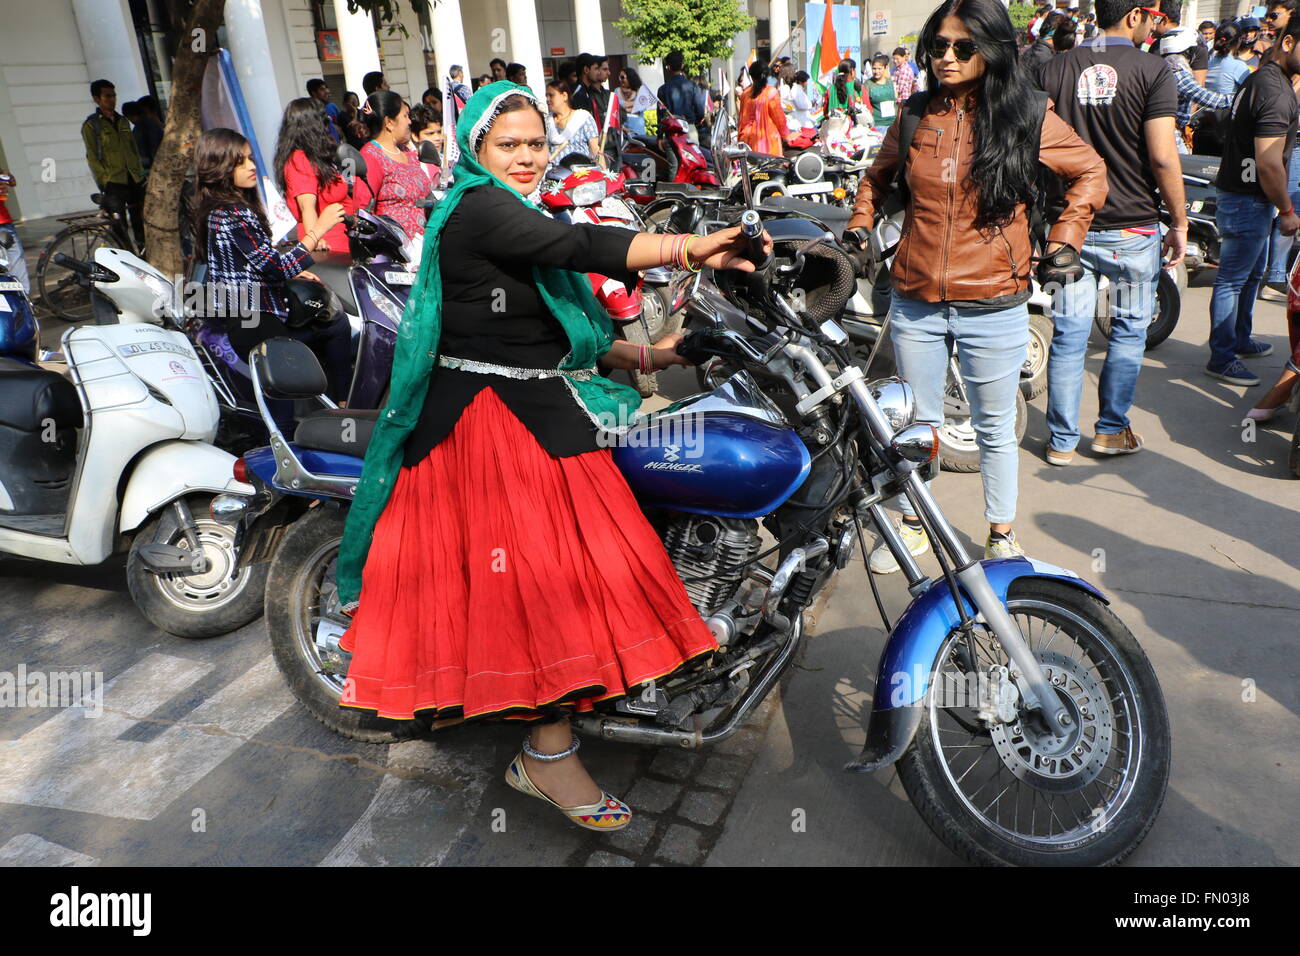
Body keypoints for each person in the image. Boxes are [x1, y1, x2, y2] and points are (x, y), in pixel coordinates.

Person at [331, 80, 768, 830]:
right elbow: (576, 246)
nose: (528, 156)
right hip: (489, 429)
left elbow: (554, 331)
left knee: (588, 577)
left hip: (542, 409)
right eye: (511, 145)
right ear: (475, 149)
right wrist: (689, 246)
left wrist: (647, 355)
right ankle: (546, 754)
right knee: (547, 591)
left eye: (537, 142)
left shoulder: (520, 207)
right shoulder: (475, 208)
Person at [842, 0, 1106, 570]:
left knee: (993, 426)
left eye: (963, 47)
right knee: (917, 425)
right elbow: (876, 179)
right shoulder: (915, 114)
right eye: (938, 46)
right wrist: (861, 224)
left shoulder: (1027, 114)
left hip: (994, 298)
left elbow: (1090, 171)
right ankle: (916, 525)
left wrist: (1065, 241)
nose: (947, 58)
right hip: (915, 298)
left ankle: (1001, 535)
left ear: (991, 51)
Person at [1038, 0, 1185, 465]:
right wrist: (1179, 221)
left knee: (1069, 334)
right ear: (1136, 14)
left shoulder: (1056, 68)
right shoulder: (1152, 70)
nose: (1153, 27)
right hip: (1133, 228)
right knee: (1126, 332)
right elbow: (1163, 156)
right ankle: (1109, 431)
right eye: (1153, 17)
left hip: (1070, 229)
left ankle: (1061, 441)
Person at [192, 128, 352, 403]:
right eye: (240, 161)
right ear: (219, 166)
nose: (252, 166)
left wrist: (293, 269)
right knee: (335, 326)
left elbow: (251, 259)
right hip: (257, 320)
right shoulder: (235, 213)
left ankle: (336, 405)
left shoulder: (216, 208)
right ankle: (342, 405)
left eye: (250, 158)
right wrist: (319, 230)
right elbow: (275, 267)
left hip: (242, 315)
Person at [1206, 14, 1300, 387]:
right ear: (1289, 43)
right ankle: (1222, 356)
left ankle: (1239, 338)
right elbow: (1269, 163)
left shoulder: (1260, 78)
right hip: (1247, 198)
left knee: (1250, 276)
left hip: (1245, 195)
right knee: (1232, 279)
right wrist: (1287, 211)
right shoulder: (1273, 90)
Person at [360, 91, 430, 259]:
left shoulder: (407, 152)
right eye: (405, 116)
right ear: (389, 123)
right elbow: (362, 212)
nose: (410, 121)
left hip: (425, 248)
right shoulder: (370, 156)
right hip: (396, 255)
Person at [1261, 0, 1300, 300]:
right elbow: (1267, 162)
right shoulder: (1277, 76)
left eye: (1275, 15)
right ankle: (1275, 274)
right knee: (1287, 211)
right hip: (1291, 146)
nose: (1270, 20)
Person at [81, 79, 145, 248]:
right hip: (113, 182)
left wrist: (139, 172)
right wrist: (105, 180)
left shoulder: (123, 121)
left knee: (141, 223)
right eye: (107, 96)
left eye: (114, 95)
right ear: (97, 98)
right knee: (119, 228)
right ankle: (128, 259)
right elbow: (92, 157)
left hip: (133, 179)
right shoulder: (91, 125)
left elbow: (133, 149)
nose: (112, 99)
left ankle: (144, 255)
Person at [545, 80, 601, 168]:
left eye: (551, 95)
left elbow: (595, 150)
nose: (547, 99)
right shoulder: (546, 122)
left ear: (564, 96)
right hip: (556, 175)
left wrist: (604, 174)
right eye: (546, 96)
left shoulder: (583, 117)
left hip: (581, 173)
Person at [737, 59, 787, 155]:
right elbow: (779, 118)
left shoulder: (745, 94)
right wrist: (785, 135)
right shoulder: (771, 92)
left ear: (751, 76)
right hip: (768, 140)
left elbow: (742, 120)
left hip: (748, 140)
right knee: (770, 168)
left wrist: (740, 140)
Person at [1154, 0, 1210, 84]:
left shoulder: (1194, 42)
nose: (1152, 25)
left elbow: (1198, 84)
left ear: (1165, 20)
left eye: (1155, 19)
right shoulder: (1155, 44)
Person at [657, 50, 704, 129]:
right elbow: (700, 111)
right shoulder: (693, 86)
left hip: (671, 131)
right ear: (682, 66)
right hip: (690, 129)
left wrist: (660, 136)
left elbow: (660, 115)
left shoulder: (662, 89)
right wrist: (696, 123)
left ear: (668, 67)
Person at [0, 170, 30, 294]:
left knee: (16, 265)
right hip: (4, 225)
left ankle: (23, 302)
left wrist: (7, 177)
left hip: (4, 223)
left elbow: (11, 181)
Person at [570, 53, 615, 131]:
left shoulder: (589, 91)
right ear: (586, 70)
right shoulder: (578, 93)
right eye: (596, 69)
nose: (598, 73)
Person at [1208, 23, 1252, 94]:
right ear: (1239, 41)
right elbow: (1251, 90)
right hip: (1228, 103)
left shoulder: (1207, 63)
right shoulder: (1238, 66)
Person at [121, 100, 163, 172]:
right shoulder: (153, 122)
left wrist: (145, 168)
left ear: (129, 116)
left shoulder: (139, 129)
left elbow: (143, 151)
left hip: (153, 166)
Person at [408, 105, 443, 188]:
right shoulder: (412, 165)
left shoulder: (448, 160)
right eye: (430, 134)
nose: (437, 138)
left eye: (439, 132)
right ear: (415, 136)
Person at [616, 67, 656, 135]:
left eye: (622, 77)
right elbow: (616, 108)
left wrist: (625, 107)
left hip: (638, 132)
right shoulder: (617, 91)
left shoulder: (640, 92)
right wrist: (635, 104)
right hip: (623, 132)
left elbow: (642, 106)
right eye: (619, 77)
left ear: (630, 77)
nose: (620, 79)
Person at [866, 54, 898, 130]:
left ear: (885, 68)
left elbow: (896, 100)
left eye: (879, 69)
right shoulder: (868, 85)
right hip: (878, 125)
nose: (876, 71)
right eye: (874, 68)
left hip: (894, 124)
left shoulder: (891, 82)